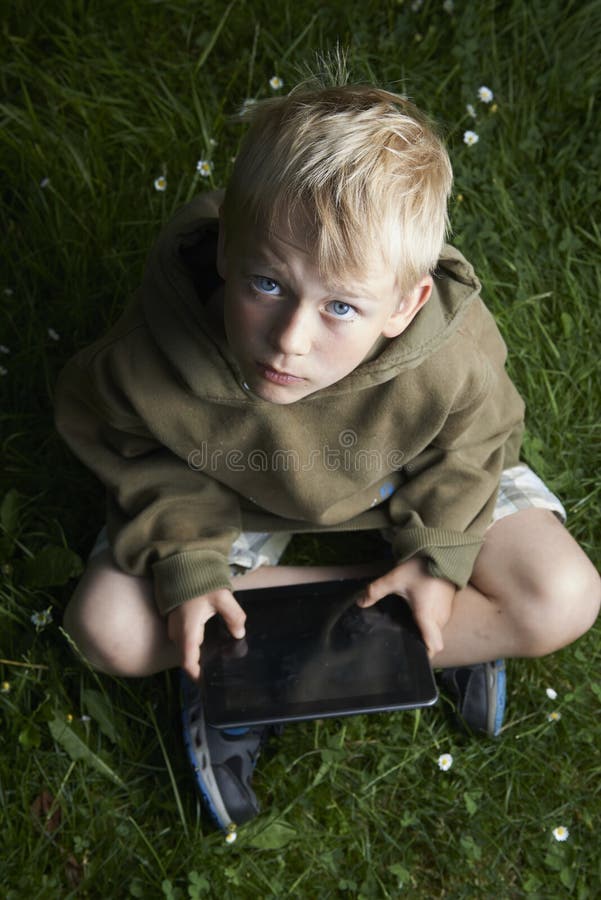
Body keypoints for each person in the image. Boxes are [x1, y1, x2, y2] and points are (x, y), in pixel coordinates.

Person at [54, 77, 600, 834]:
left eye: (341, 307)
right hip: (235, 488)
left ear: (404, 306)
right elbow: (141, 455)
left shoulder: (448, 353)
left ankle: (289, 649)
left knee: (563, 596)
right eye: (266, 284)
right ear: (226, 250)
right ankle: (293, 654)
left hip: (408, 474)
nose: (290, 340)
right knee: (105, 629)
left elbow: (476, 442)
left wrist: (439, 555)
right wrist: (190, 565)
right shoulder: (150, 355)